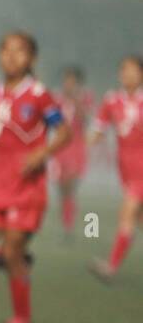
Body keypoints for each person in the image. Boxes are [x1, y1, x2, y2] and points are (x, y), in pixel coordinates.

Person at [0, 31, 69, 323]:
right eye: (5, 50)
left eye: (19, 51)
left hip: (26, 190)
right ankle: (19, 264)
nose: (11, 56)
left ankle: (22, 318)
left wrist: (42, 153)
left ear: (32, 58)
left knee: (11, 251)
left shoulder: (38, 95)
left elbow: (64, 132)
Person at [87, 55, 143, 281]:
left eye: (133, 70)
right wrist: (85, 139)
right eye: (124, 70)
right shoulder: (112, 100)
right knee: (138, 219)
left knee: (127, 214)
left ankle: (111, 266)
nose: (127, 74)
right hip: (126, 169)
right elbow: (98, 130)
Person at [50, 65, 93, 239]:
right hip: (60, 148)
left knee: (70, 187)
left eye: (72, 81)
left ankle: (69, 228)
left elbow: (86, 121)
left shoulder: (85, 98)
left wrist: (76, 101)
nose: (68, 84)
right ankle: (66, 226)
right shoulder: (57, 99)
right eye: (66, 80)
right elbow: (51, 120)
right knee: (62, 189)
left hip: (76, 148)